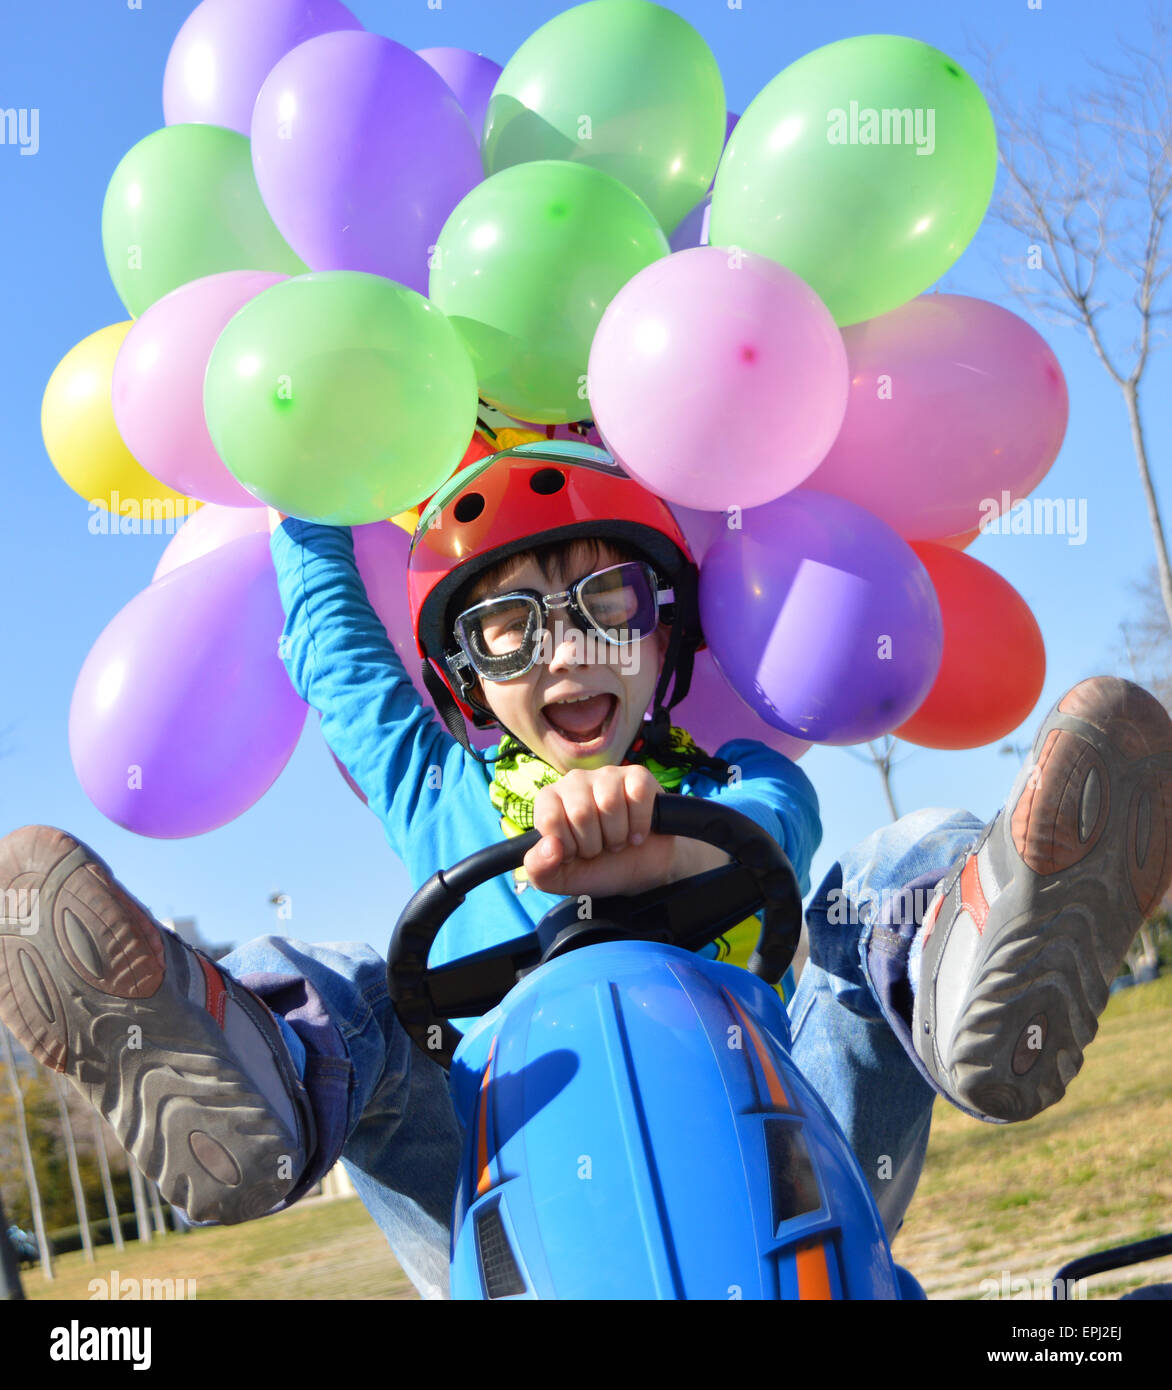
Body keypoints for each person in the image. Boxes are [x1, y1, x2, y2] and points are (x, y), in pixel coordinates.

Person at [1, 440, 1169, 1300]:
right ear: (461, 676)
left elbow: (787, 822)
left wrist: (658, 841)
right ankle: (243, 1062)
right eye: (509, 624)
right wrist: (308, 464)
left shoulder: (735, 780)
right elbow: (331, 647)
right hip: (494, 1173)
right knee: (346, 992)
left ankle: (983, 960)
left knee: (878, 878)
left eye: (607, 602)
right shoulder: (434, 788)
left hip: (779, 1134)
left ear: (664, 636)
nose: (566, 644)